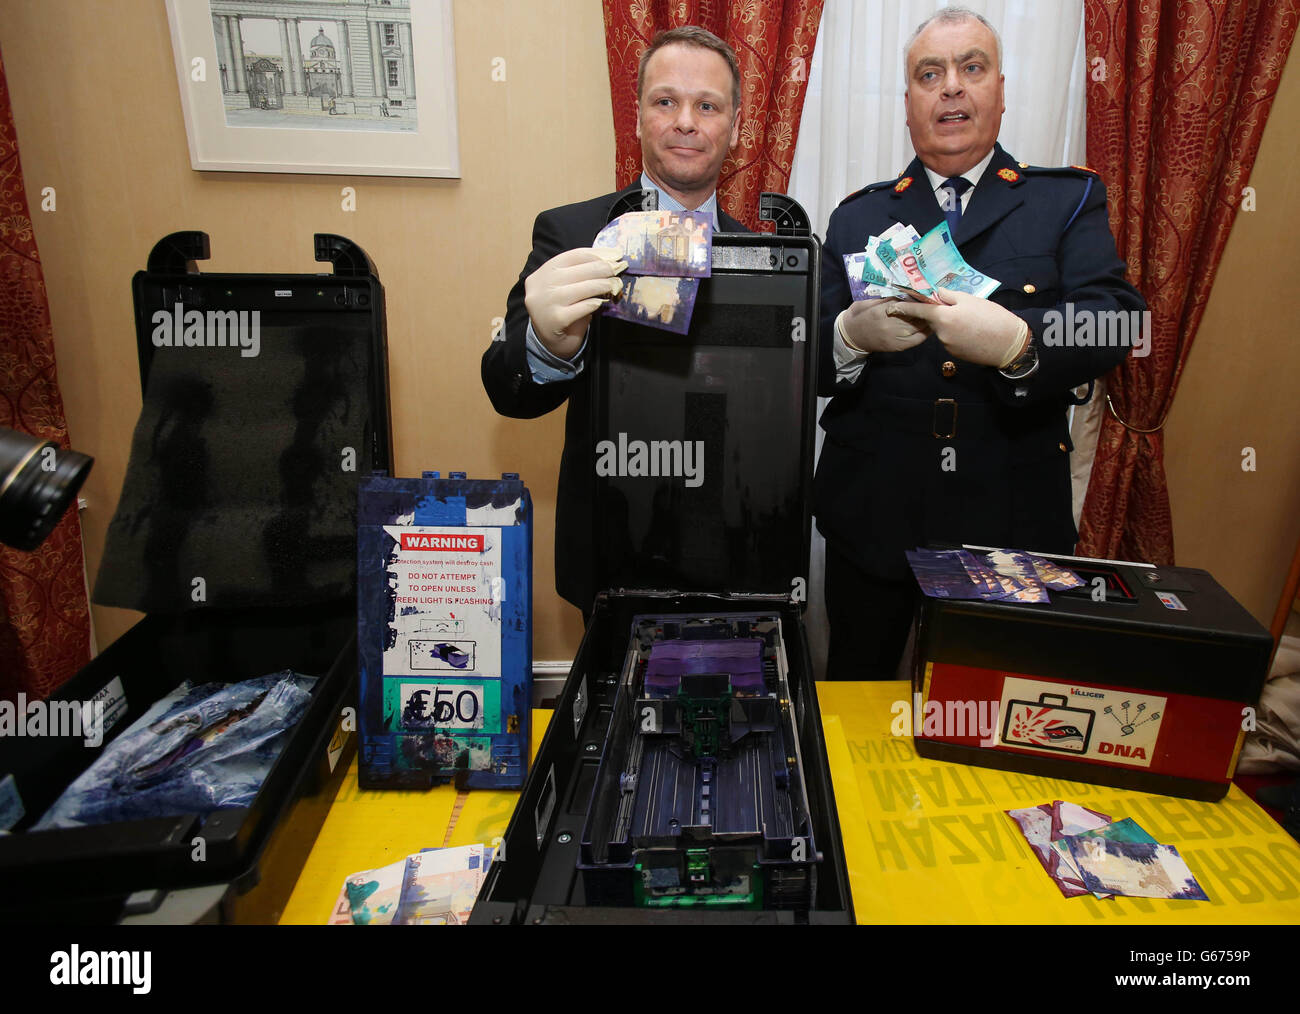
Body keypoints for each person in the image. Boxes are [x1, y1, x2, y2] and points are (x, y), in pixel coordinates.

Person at [815, 6, 1146, 679]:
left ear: (1001, 89)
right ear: (907, 103)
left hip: (1010, 518)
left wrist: (1021, 344)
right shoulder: (860, 215)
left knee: (990, 717)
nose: (951, 88)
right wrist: (849, 337)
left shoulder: (1066, 202)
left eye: (972, 68)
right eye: (928, 74)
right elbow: (806, 358)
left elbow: (1117, 321)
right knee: (856, 702)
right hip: (874, 515)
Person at [481, 26, 748, 616]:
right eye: (665, 101)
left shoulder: (766, 255)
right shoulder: (569, 233)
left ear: (733, 126)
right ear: (637, 119)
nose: (686, 121)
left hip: (734, 541)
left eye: (707, 105)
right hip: (611, 539)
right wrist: (548, 343)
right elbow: (507, 388)